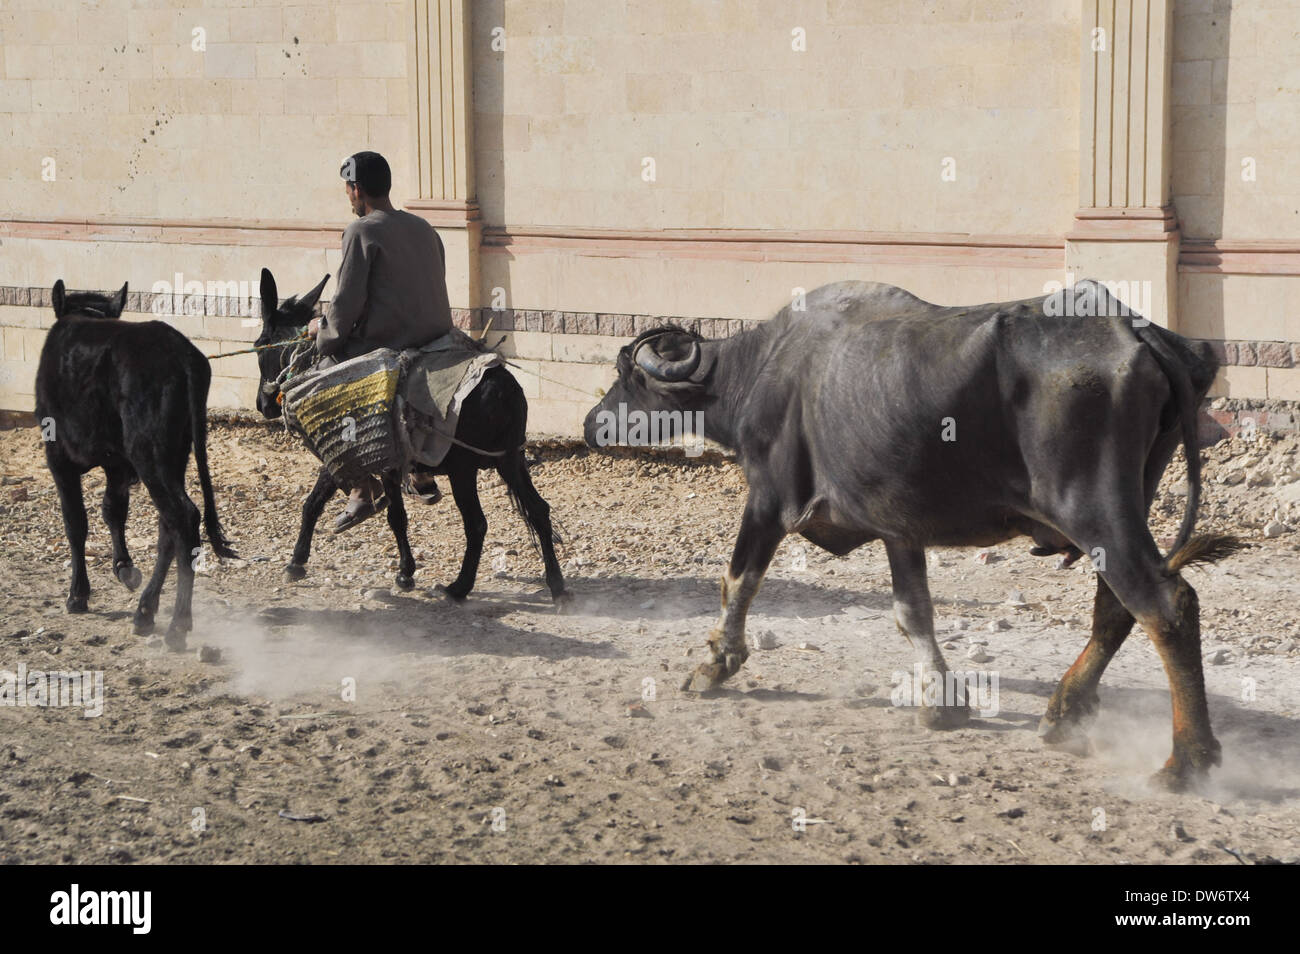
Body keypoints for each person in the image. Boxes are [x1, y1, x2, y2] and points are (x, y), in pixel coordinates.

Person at [306, 151, 452, 532]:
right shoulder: (424, 226)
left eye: (347, 190)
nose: (348, 197)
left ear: (357, 190)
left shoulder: (361, 231)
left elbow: (345, 306)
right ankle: (419, 471)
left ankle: (361, 486)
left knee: (317, 387)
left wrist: (321, 333)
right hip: (439, 338)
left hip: (392, 344)